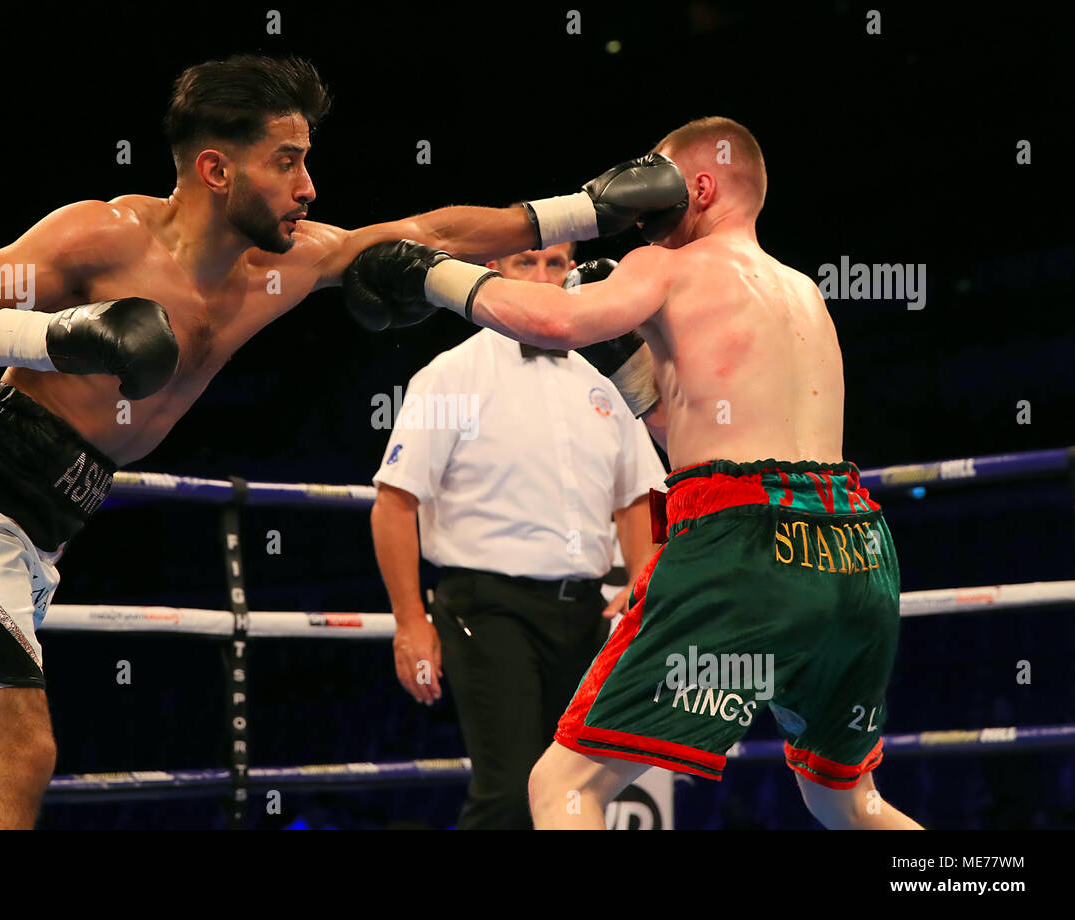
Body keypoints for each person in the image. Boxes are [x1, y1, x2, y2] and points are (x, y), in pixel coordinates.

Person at [0, 54, 688, 830]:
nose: (309, 186)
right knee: (21, 759)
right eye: (288, 161)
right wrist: (69, 336)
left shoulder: (289, 262)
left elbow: (434, 232)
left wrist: (588, 208)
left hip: (44, 524)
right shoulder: (101, 234)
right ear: (216, 167)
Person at [342, 116, 923, 830]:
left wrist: (432, 273)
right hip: (856, 548)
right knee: (847, 800)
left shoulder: (670, 265)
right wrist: (630, 363)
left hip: (744, 543)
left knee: (562, 785)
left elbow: (554, 323)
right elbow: (694, 421)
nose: (638, 215)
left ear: (697, 187)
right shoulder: (802, 290)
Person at [370, 244, 665, 829]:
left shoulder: (606, 374)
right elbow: (395, 502)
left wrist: (641, 591)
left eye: (556, 263)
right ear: (493, 271)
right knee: (509, 793)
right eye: (526, 261)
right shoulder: (451, 374)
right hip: (487, 607)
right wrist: (410, 622)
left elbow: (642, 496)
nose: (542, 276)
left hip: (584, 614)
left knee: (573, 793)